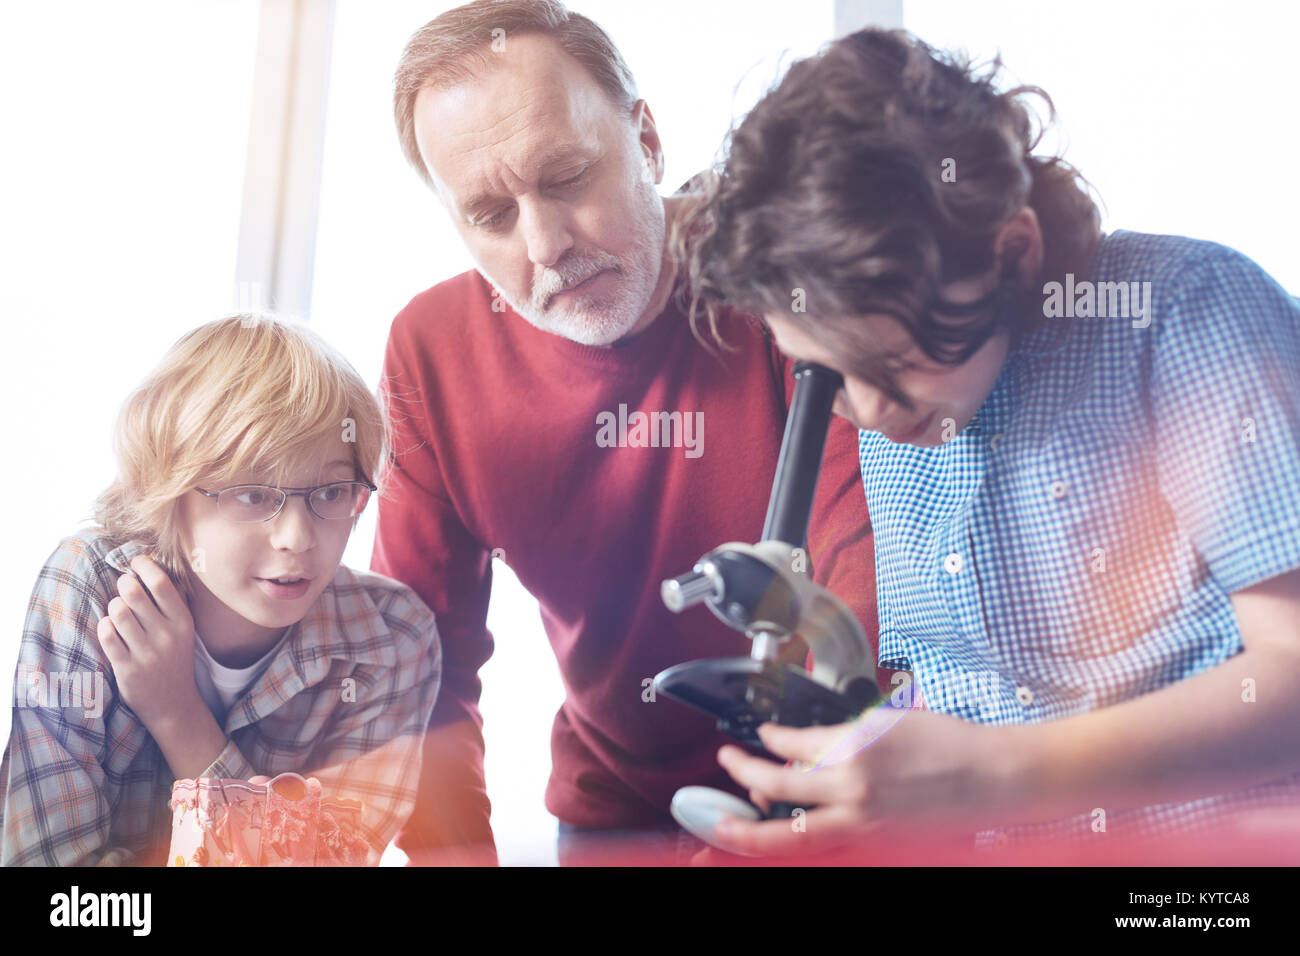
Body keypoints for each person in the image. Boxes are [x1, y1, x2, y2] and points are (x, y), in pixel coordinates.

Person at [681, 28, 1300, 856]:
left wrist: (1002, 773)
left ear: (1012, 250)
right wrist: (850, 791)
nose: (866, 411)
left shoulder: (1187, 314)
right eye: (820, 373)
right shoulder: (889, 417)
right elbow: (963, 699)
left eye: (893, 364)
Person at [373, 0, 882, 865]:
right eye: (492, 216)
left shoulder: (780, 268)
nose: (545, 245)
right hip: (615, 811)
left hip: (833, 783)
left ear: (646, 139)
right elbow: (422, 673)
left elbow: (865, 572)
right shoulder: (430, 353)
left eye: (568, 176)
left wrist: (817, 793)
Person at [0, 315, 442, 866]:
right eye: (253, 495)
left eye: (330, 491)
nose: (297, 539)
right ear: (170, 492)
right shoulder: (91, 589)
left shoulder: (393, 637)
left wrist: (179, 717)